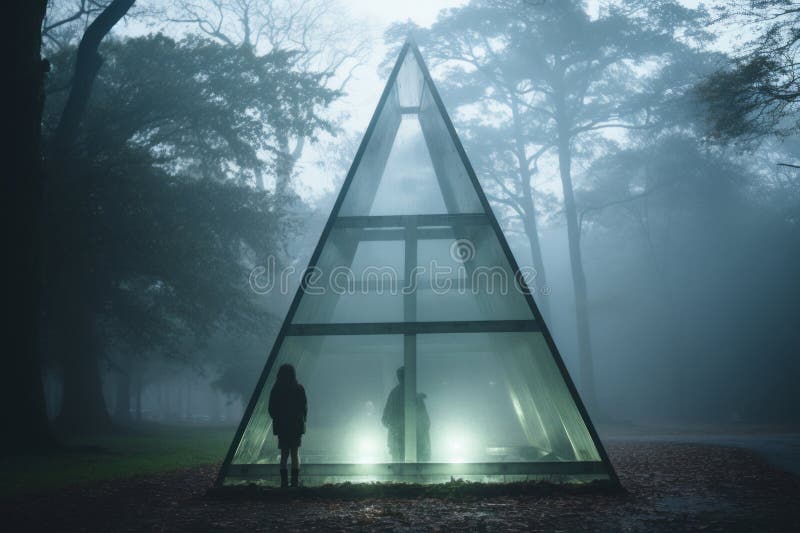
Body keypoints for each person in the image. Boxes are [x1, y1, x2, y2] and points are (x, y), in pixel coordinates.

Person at [268, 364, 307, 488]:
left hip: (282, 427)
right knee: (295, 453)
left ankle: (284, 483)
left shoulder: (276, 390)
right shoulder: (299, 388)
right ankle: (294, 482)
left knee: (284, 454)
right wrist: (302, 419)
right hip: (296, 426)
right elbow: (304, 407)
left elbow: (271, 409)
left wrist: (278, 419)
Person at [381, 366, 431, 462]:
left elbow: (385, 419)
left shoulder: (395, 394)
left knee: (400, 467)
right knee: (414, 467)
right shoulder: (412, 394)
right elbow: (426, 422)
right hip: (412, 442)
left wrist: (395, 428)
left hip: (401, 442)